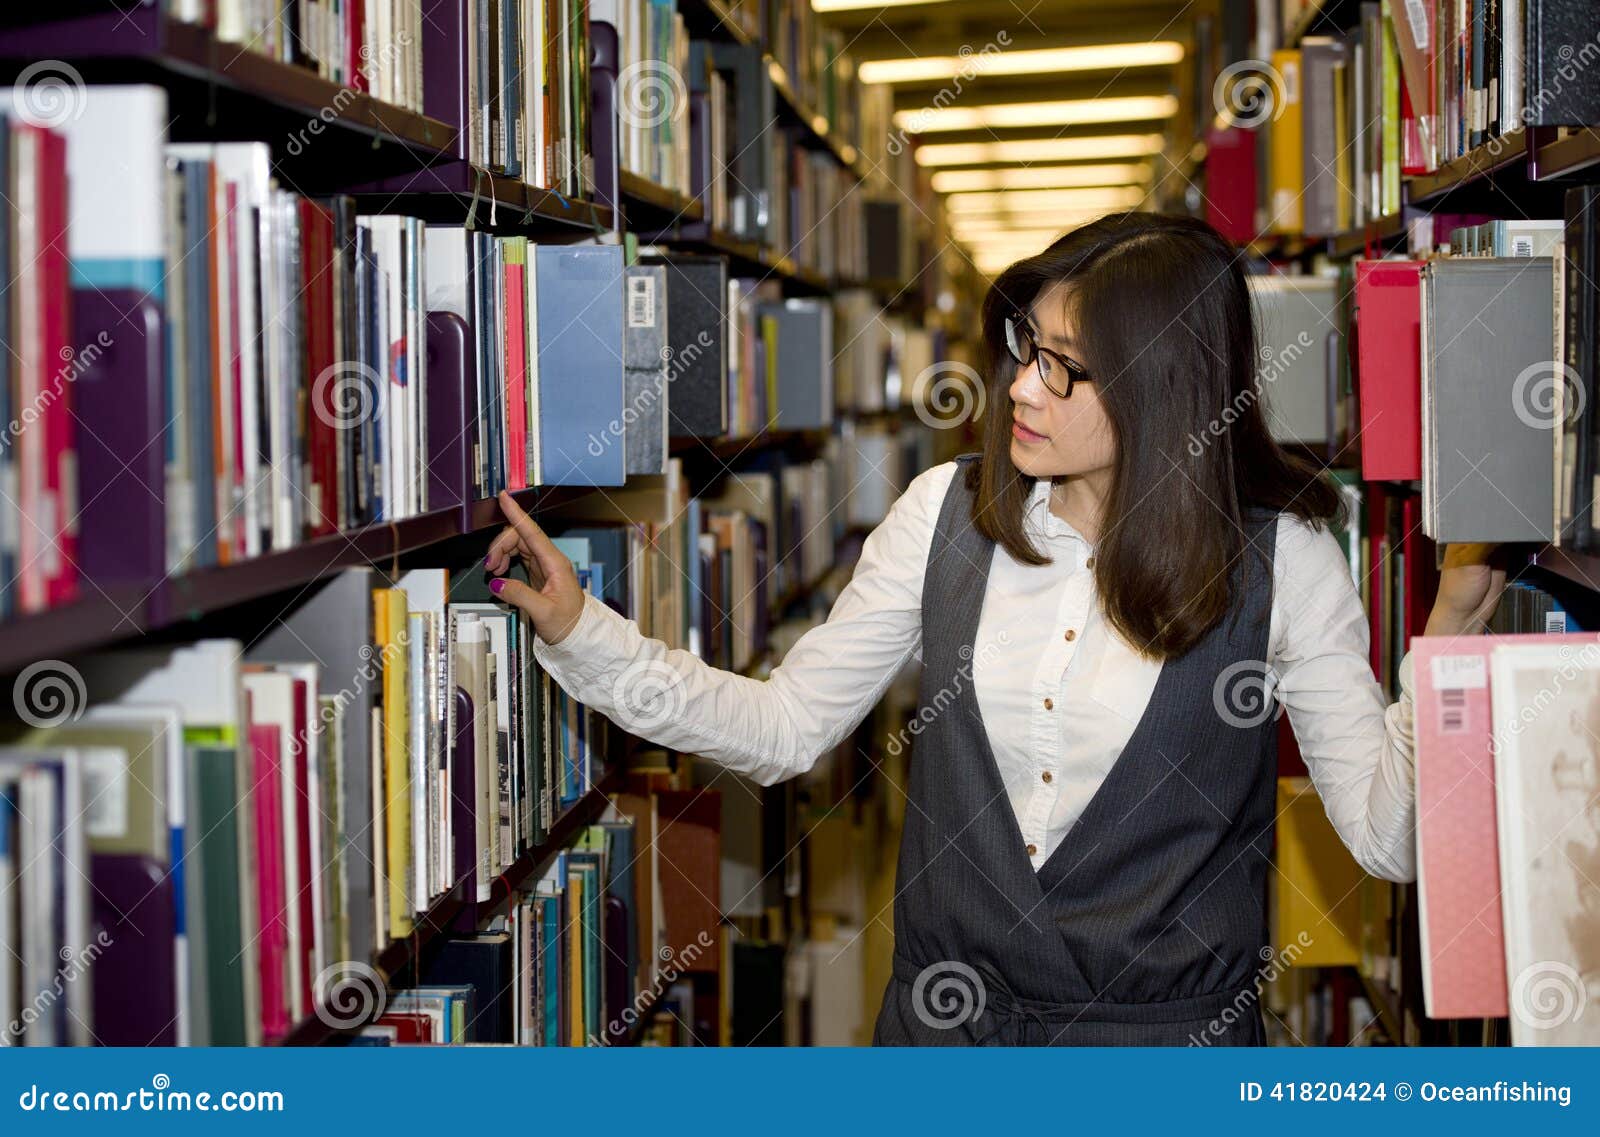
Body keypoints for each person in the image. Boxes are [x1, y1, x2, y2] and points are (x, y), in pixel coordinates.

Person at [481, 212, 1505, 1046]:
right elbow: (785, 729)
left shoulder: (1284, 567)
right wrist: (584, 631)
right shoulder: (945, 516)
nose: (1020, 386)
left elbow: (1383, 842)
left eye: (1064, 367)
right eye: (1026, 350)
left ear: (1161, 389)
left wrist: (1445, 647)